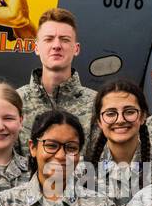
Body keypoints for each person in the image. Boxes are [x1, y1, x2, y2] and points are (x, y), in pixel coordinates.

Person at [17, 8, 97, 136]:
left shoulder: (96, 105)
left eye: (64, 40)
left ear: (76, 49)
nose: (56, 46)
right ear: (36, 48)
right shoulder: (17, 102)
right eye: (49, 39)